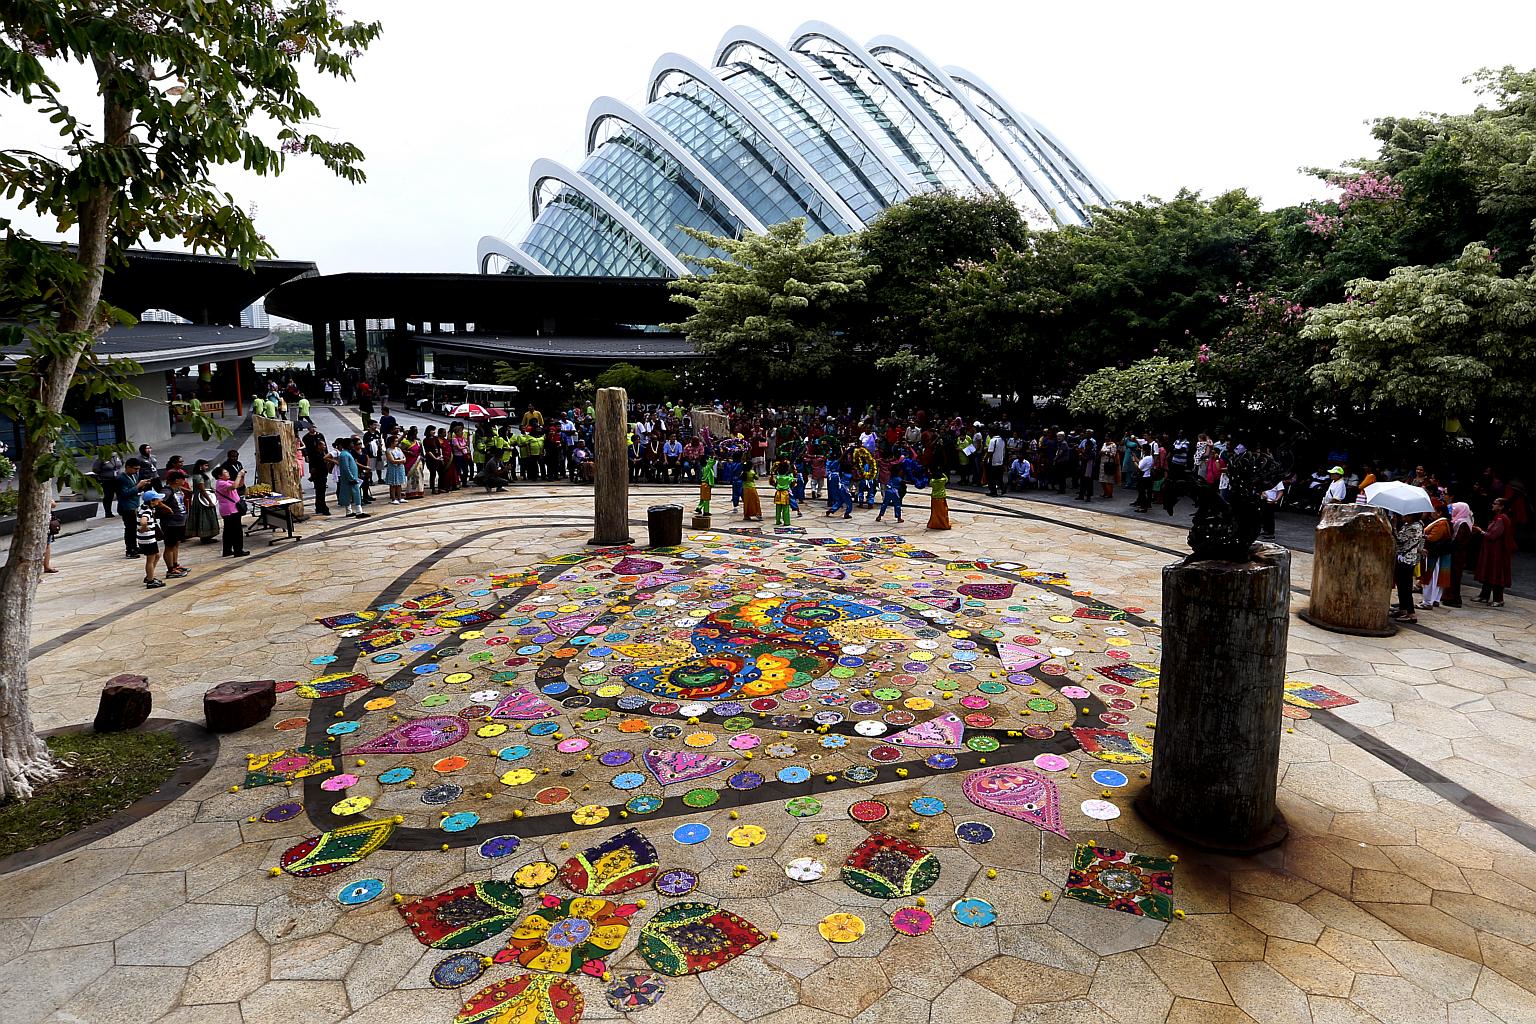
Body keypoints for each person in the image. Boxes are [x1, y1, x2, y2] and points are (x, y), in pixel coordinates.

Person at [1473, 498, 1515, 607]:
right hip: (1492, 551)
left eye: (1495, 504)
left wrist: (1480, 531)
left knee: (1496, 573)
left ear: (1501, 507)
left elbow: (1493, 535)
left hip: (1497, 553)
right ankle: (1484, 595)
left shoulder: (1501, 519)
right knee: (1489, 571)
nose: (1493, 505)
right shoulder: (1498, 518)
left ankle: (1498, 599)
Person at [1392, 513, 1424, 623]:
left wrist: (1394, 526)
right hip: (1405, 558)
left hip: (1406, 559)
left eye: (1407, 515)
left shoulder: (1414, 527)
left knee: (1405, 587)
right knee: (1401, 586)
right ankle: (1403, 609)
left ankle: (1411, 614)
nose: (1404, 516)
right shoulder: (1412, 525)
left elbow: (1399, 539)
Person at [159, 471, 191, 579]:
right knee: (169, 546)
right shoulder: (167, 491)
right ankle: (170, 569)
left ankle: (175, 564)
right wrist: (167, 508)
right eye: (182, 479)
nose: (184, 481)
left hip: (179, 522)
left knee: (176, 544)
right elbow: (157, 501)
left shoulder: (176, 490)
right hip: (170, 523)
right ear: (176, 480)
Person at [1419, 510, 1452, 609]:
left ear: (1439, 513)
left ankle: (1428, 601)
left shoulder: (1441, 523)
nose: (1431, 513)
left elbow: (1433, 538)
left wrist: (1422, 535)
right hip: (1440, 554)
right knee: (1437, 578)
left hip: (1434, 555)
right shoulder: (1444, 522)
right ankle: (1435, 599)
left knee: (1432, 578)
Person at [214, 468, 249, 557]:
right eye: (225, 472)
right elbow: (234, 486)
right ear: (219, 476)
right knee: (236, 531)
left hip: (230, 509)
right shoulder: (221, 483)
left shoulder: (226, 482)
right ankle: (238, 550)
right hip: (231, 510)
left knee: (229, 531)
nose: (228, 473)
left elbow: (238, 485)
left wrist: (242, 477)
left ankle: (227, 550)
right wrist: (238, 475)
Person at [1444, 502, 1474, 608]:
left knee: (1455, 576)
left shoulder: (1462, 523)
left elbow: (1459, 541)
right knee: (1453, 576)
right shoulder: (1462, 521)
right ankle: (1450, 597)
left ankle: (1454, 599)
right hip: (1458, 554)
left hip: (1458, 554)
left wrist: (1449, 545)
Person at [136, 491, 166, 588]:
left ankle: (149, 575)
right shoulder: (147, 511)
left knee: (157, 555)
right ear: (152, 501)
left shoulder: (143, 507)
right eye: (157, 499)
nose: (159, 500)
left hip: (144, 538)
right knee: (150, 559)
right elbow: (143, 521)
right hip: (148, 539)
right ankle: (150, 581)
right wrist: (143, 528)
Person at [188, 459, 220, 542]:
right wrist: (209, 501)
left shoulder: (202, 475)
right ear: (200, 466)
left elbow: (206, 487)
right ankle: (205, 536)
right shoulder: (198, 477)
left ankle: (208, 536)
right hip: (202, 499)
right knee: (204, 517)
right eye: (205, 465)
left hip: (205, 496)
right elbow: (202, 490)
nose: (207, 467)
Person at [335, 437, 367, 518]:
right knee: (354, 494)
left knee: (350, 494)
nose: (353, 445)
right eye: (352, 443)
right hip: (350, 478)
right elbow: (346, 467)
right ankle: (358, 511)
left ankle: (349, 511)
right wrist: (351, 478)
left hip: (351, 477)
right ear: (348, 445)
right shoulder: (344, 454)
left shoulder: (346, 453)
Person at [92, 450, 123, 518]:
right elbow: (95, 469)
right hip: (107, 480)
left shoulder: (116, 457)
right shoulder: (100, 459)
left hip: (118, 479)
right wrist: (104, 474)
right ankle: (108, 512)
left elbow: (121, 464)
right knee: (109, 496)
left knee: (121, 494)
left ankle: (121, 510)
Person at [384, 434, 407, 504]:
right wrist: (401, 461)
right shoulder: (388, 451)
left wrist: (403, 460)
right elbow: (392, 460)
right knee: (393, 484)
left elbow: (404, 457)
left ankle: (400, 498)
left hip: (400, 467)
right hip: (393, 468)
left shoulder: (398, 449)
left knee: (399, 483)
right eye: (395, 441)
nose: (397, 443)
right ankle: (393, 498)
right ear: (391, 442)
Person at [404, 427, 426, 499]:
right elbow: (400, 450)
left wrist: (423, 459)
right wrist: (408, 452)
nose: (415, 436)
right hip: (410, 461)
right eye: (413, 435)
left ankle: (419, 492)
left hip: (418, 460)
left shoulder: (418, 442)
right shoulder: (405, 442)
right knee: (412, 477)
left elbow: (421, 451)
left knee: (419, 476)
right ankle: (411, 492)